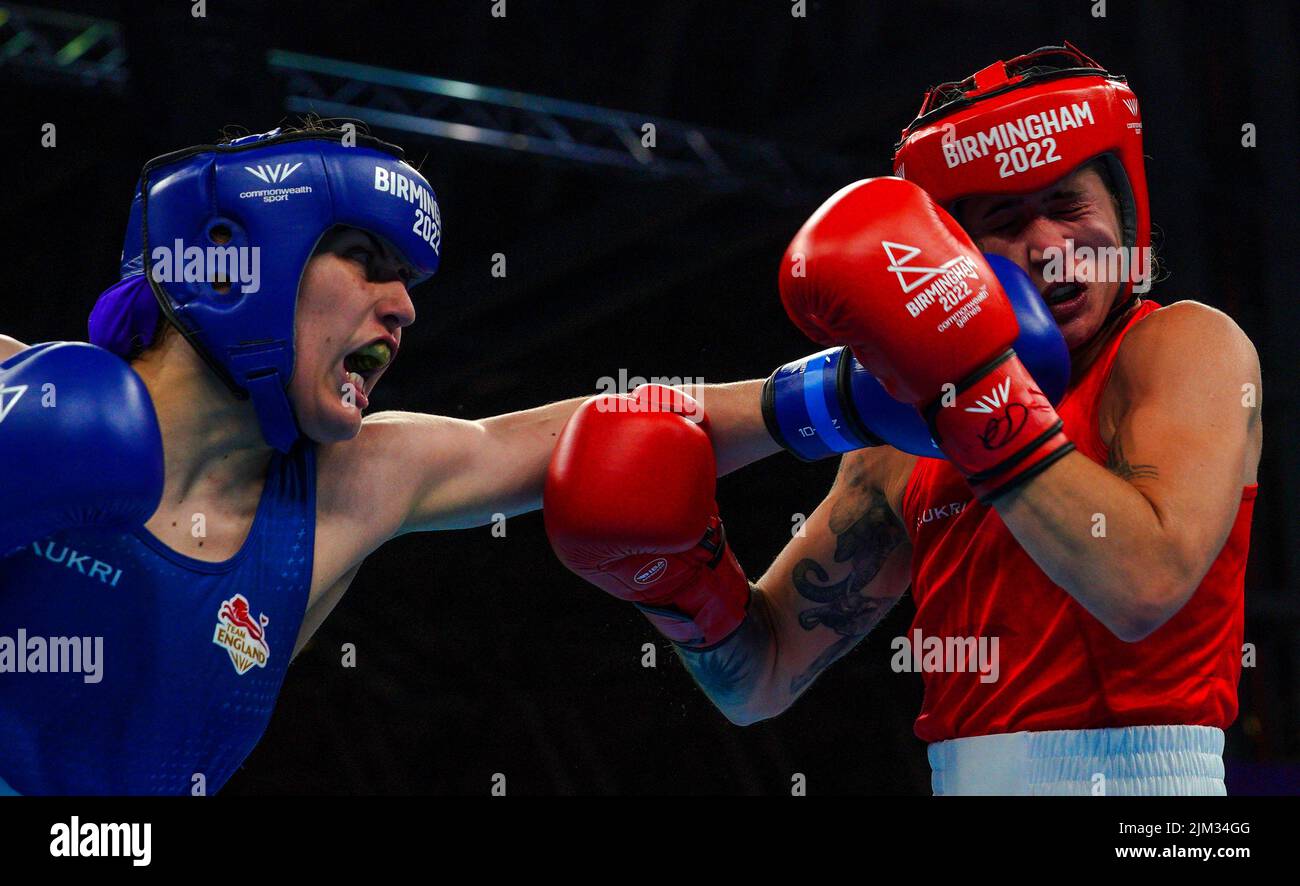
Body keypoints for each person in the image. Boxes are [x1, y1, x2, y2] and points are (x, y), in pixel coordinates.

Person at [546, 42, 1262, 795]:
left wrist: (976, 390)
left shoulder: (1181, 346)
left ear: (1121, 206)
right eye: (1008, 220)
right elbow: (759, 683)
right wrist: (681, 591)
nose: (1049, 246)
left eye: (1066, 205)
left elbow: (1143, 585)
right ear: (952, 254)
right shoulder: (901, 435)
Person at [0, 124, 791, 795]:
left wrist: (850, 394)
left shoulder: (341, 492)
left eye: (407, 280)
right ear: (228, 254)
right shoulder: (17, 399)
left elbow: (606, 429)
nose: (404, 306)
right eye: (365, 259)